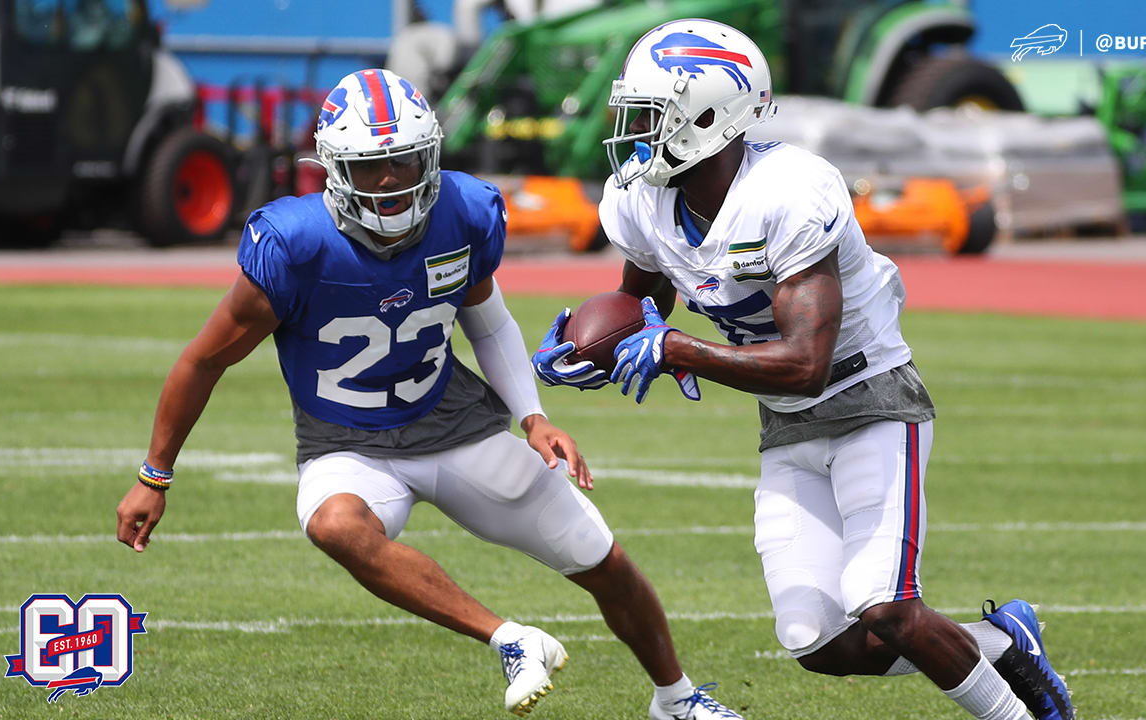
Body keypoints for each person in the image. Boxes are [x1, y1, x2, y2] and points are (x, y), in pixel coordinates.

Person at [114, 67, 743, 720]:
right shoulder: (294, 245)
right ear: (334, 169)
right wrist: (153, 475)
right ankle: (510, 638)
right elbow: (202, 360)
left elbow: (488, 319)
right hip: (346, 445)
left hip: (454, 428)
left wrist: (532, 417)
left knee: (601, 560)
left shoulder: (461, 213)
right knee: (333, 523)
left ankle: (677, 699)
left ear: (431, 153)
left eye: (405, 160)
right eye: (372, 166)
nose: (391, 180)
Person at [532, 19, 1076, 720]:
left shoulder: (790, 190)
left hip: (870, 398)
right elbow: (645, 298)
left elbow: (806, 364)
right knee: (815, 640)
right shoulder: (643, 196)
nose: (634, 132)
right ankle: (1000, 643)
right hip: (788, 425)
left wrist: (673, 350)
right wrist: (590, 344)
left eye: (651, 115)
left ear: (706, 116)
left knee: (886, 607)